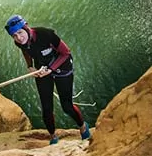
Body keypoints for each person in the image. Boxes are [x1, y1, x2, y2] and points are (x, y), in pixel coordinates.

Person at [5, 14, 91, 144]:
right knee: (46, 109)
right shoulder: (20, 42)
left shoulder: (45, 34)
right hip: (42, 69)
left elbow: (66, 53)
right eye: (14, 36)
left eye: (20, 33)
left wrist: (50, 69)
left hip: (63, 67)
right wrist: (30, 67)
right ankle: (53, 137)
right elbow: (26, 51)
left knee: (66, 106)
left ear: (26, 27)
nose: (18, 37)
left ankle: (83, 127)